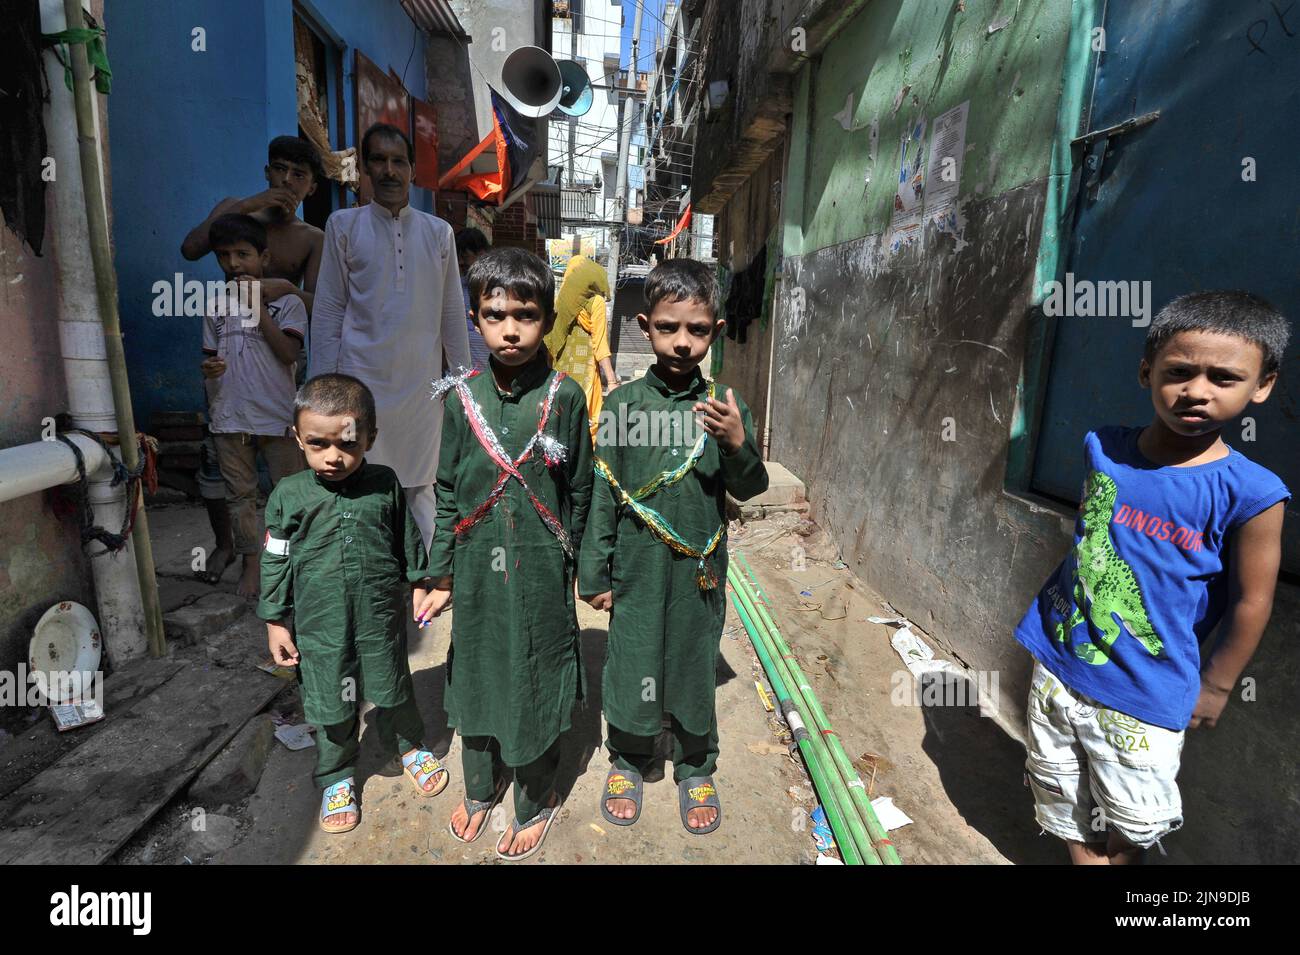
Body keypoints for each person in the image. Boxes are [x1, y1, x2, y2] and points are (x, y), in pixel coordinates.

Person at [1014, 291, 1290, 864]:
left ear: (1261, 386)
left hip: (1147, 689)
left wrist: (1216, 685)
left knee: (1133, 819)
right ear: (1147, 372)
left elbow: (1252, 601)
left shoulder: (1253, 492)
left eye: (1224, 377)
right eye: (1180, 372)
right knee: (1060, 788)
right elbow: (1092, 541)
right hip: (1060, 658)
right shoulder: (1103, 447)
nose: (1197, 390)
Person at [578, 258, 769, 834]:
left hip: (699, 568)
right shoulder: (621, 406)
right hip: (636, 565)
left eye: (698, 329)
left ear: (715, 329)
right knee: (634, 658)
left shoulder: (726, 401)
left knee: (691, 661)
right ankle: (631, 756)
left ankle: (694, 762)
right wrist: (595, 572)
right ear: (644, 326)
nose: (683, 343)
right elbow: (603, 495)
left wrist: (736, 443)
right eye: (669, 327)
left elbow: (751, 487)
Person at [421, 248, 593, 861]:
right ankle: (479, 783)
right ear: (475, 317)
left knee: (533, 672)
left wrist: (586, 571)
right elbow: (445, 491)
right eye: (495, 315)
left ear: (548, 319)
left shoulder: (566, 397)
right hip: (474, 566)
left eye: (525, 314)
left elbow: (581, 490)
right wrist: (437, 570)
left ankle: (534, 795)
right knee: (478, 667)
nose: (511, 329)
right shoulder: (459, 398)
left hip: (545, 566)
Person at [259, 374, 451, 834]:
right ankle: (337, 774)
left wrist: (420, 583)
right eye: (317, 444)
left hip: (378, 616)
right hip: (320, 624)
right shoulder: (289, 495)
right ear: (297, 439)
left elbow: (406, 539)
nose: (333, 457)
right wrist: (275, 620)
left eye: (347, 444)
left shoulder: (384, 484)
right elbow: (275, 560)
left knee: (392, 685)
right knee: (329, 702)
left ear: (371, 437)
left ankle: (409, 747)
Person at [308, 123, 471, 550]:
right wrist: (321, 392)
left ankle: (430, 576)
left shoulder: (439, 234)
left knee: (421, 486)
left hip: (421, 388)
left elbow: (452, 313)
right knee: (361, 479)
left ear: (413, 171)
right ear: (363, 168)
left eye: (398, 161)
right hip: (361, 383)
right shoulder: (343, 226)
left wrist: (467, 384)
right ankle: (370, 564)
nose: (389, 170)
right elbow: (328, 309)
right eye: (378, 160)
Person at [200, 214, 307, 598]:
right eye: (224, 256)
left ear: (263, 257)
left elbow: (287, 352)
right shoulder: (214, 306)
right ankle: (251, 565)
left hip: (277, 415)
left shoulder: (287, 303)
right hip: (229, 416)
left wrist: (258, 308)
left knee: (289, 491)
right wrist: (208, 370)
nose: (233, 264)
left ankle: (291, 562)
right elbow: (210, 360)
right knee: (239, 496)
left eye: (243, 254)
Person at [181, 135, 325, 315]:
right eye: (279, 168)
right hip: (234, 330)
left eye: (298, 174)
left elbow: (320, 309)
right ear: (267, 172)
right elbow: (190, 250)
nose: (287, 179)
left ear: (311, 188)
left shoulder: (313, 238)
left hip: (282, 336)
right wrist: (246, 206)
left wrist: (289, 290)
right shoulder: (234, 208)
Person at [545, 254, 620, 439]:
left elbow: (550, 343)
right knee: (586, 427)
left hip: (559, 375)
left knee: (559, 424)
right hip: (585, 375)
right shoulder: (596, 302)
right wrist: (611, 381)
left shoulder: (560, 301)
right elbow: (600, 343)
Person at [454, 227, 493, 372]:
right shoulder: (455, 289)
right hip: (461, 376)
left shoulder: (499, 291)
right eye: (456, 257)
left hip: (491, 377)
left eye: (464, 256)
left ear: (481, 254)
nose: (460, 262)